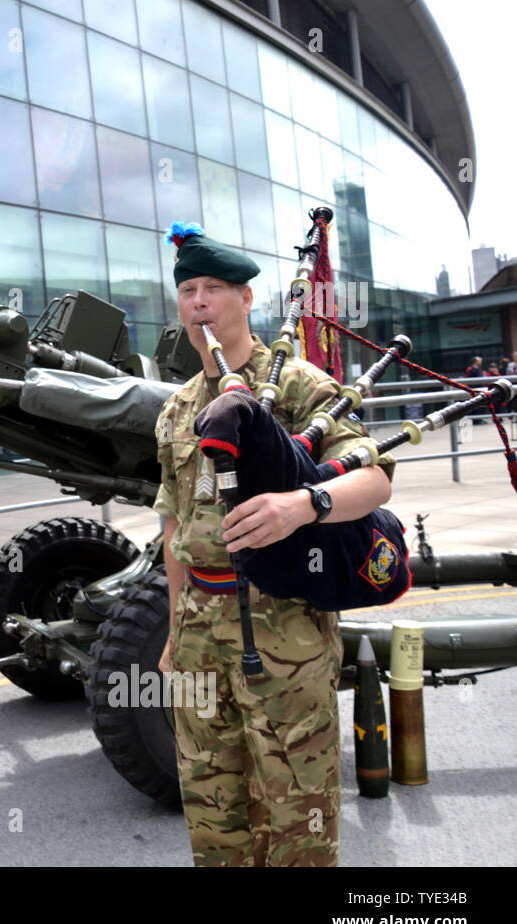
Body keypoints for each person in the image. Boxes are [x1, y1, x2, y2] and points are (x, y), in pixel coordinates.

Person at [153, 222, 394, 867]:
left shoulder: (297, 386)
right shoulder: (176, 410)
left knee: (295, 808)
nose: (198, 302)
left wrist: (302, 504)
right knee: (211, 805)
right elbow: (174, 529)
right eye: (188, 292)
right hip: (201, 624)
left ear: (245, 300)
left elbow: (374, 480)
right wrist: (175, 632)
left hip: (281, 621)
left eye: (213, 289)